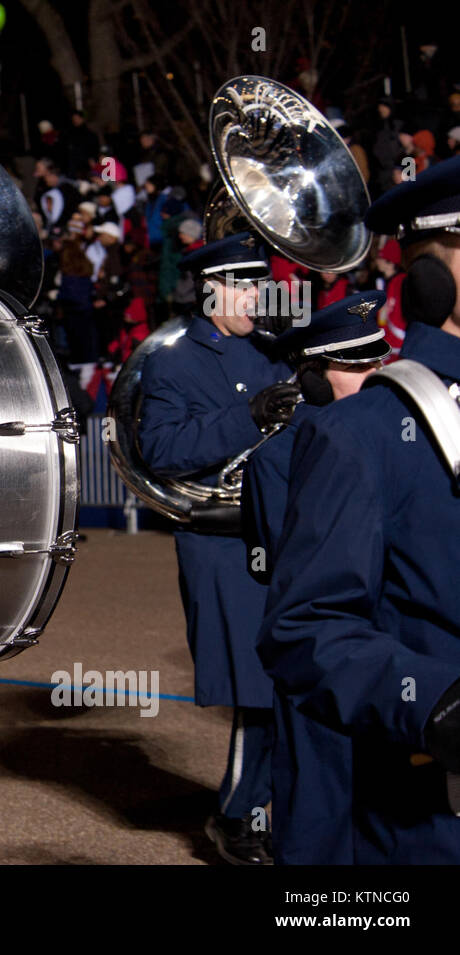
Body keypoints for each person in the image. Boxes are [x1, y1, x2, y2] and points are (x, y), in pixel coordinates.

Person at [259, 156, 460, 862]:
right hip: (433, 825)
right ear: (433, 275)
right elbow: (305, 629)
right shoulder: (362, 434)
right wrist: (436, 701)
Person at [139, 232, 305, 865]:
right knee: (257, 693)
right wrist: (249, 418)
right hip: (225, 541)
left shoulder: (274, 352)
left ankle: (281, 811)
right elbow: (163, 450)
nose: (256, 298)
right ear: (211, 290)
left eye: (260, 285)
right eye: (242, 286)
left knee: (295, 681)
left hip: (287, 534)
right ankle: (238, 817)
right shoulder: (174, 360)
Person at [241, 291, 389, 864]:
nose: (375, 373)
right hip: (323, 662)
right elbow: (294, 570)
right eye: (356, 366)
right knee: (318, 821)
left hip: (387, 654)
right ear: (315, 379)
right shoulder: (277, 461)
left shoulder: (395, 435)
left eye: (377, 360)